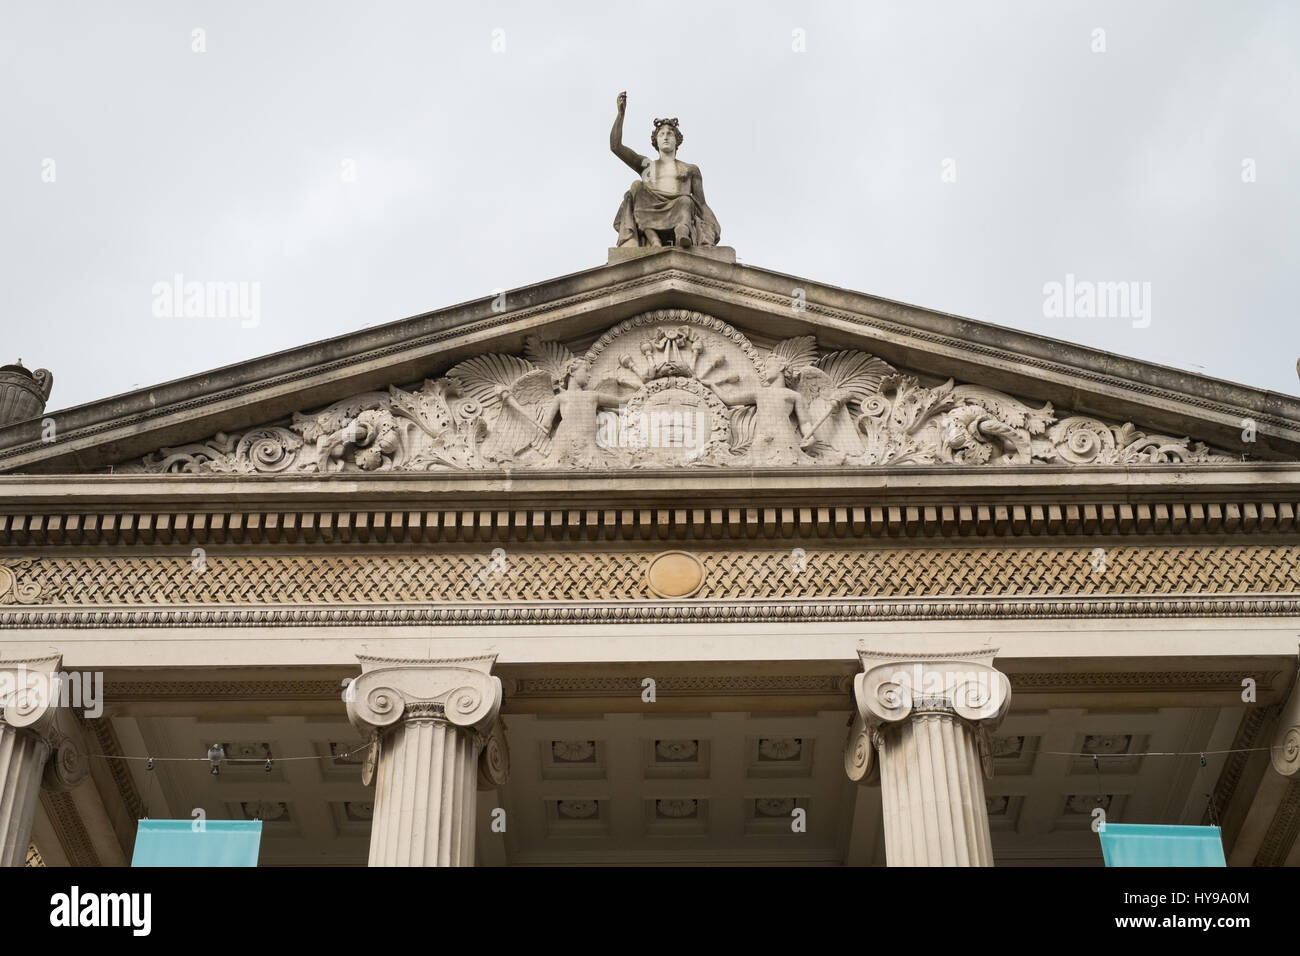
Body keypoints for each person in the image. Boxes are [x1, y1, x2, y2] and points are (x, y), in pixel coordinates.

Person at [610, 91, 721, 249]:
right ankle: (653, 239)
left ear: (677, 140)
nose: (666, 137)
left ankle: (681, 234)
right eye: (661, 134)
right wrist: (620, 114)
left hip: (680, 207)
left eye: (670, 134)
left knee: (686, 200)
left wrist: (712, 224)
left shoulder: (690, 169)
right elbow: (616, 147)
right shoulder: (647, 165)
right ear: (656, 141)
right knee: (637, 186)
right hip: (651, 208)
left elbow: (701, 203)